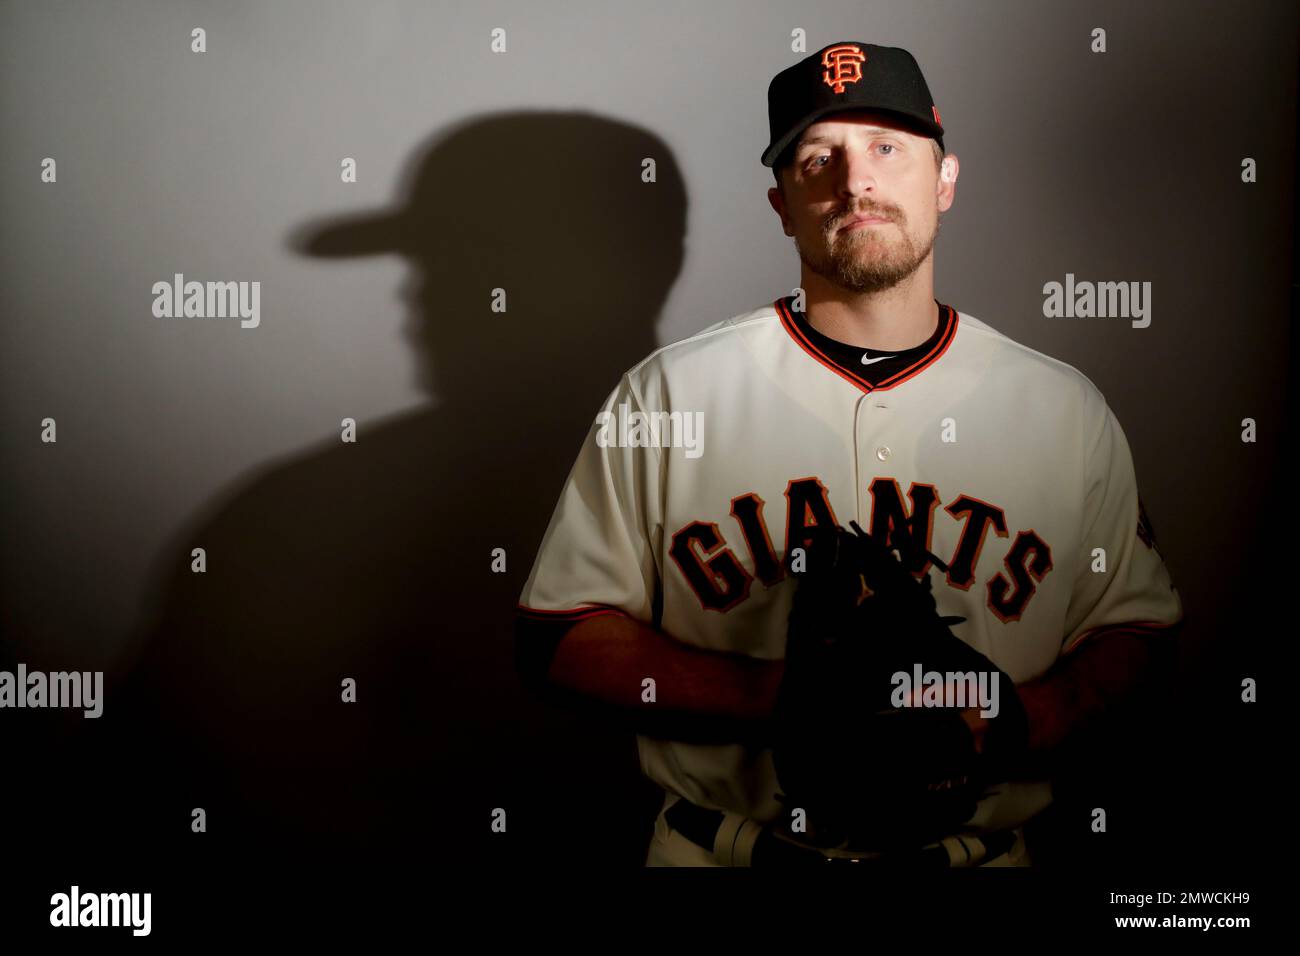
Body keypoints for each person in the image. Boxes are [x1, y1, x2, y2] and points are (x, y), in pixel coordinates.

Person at [514, 40, 1184, 866]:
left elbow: (1136, 632)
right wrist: (785, 699)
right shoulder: (666, 397)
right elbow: (559, 635)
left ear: (945, 182)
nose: (854, 181)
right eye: (817, 156)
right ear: (781, 204)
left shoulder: (1064, 408)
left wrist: (998, 718)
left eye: (887, 148)